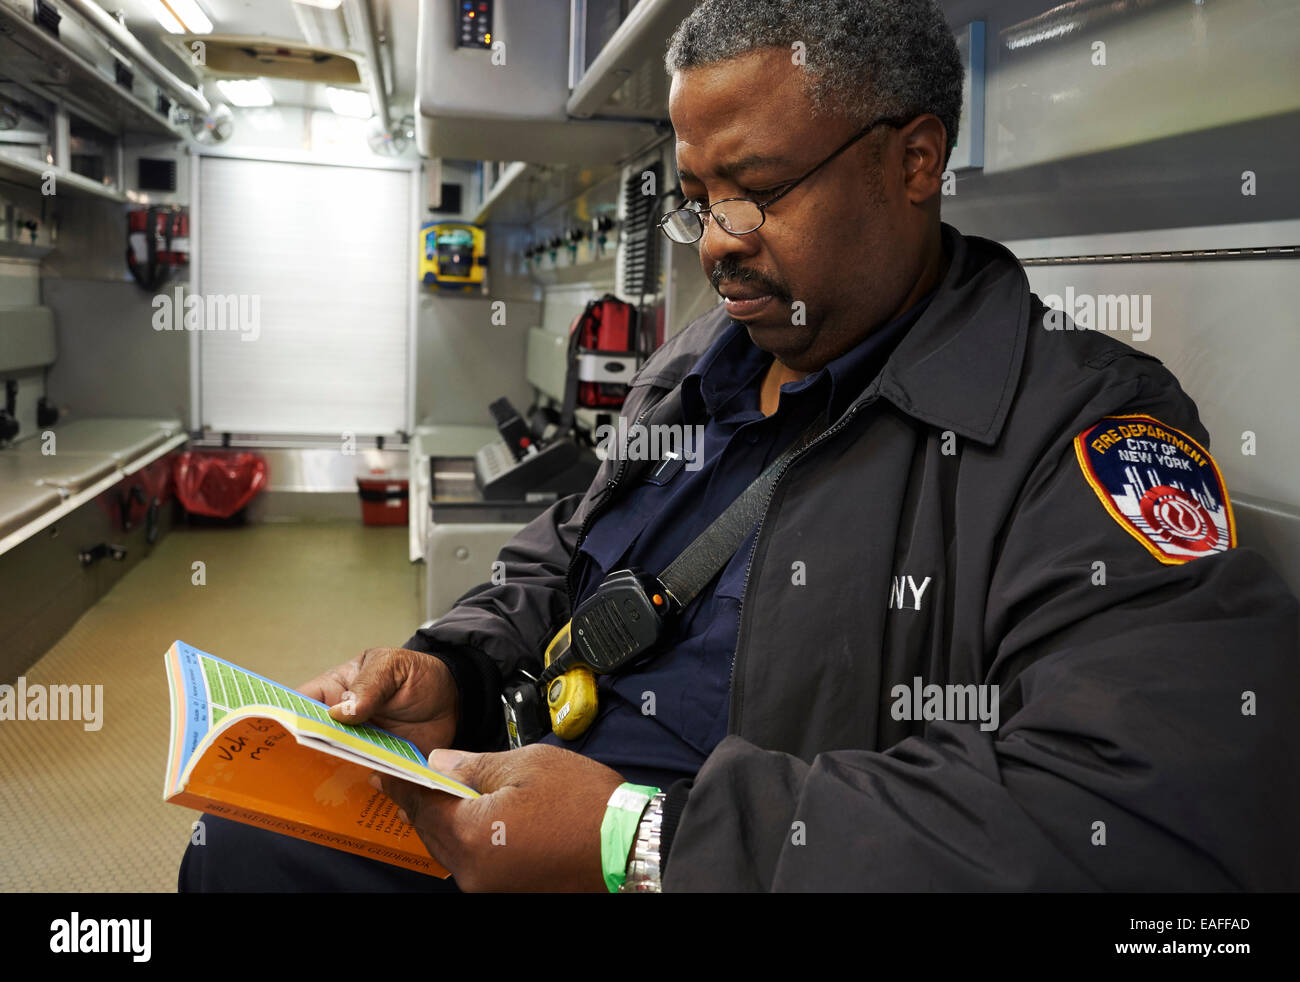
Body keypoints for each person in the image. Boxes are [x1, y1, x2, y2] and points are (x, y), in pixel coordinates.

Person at [180, 0, 1300, 893]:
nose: (717, 244)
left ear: (914, 162)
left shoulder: (1079, 428)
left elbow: (1160, 815)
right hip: (538, 808)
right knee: (245, 842)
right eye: (698, 197)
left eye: (758, 193)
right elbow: (557, 563)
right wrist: (459, 670)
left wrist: (647, 841)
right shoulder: (703, 360)